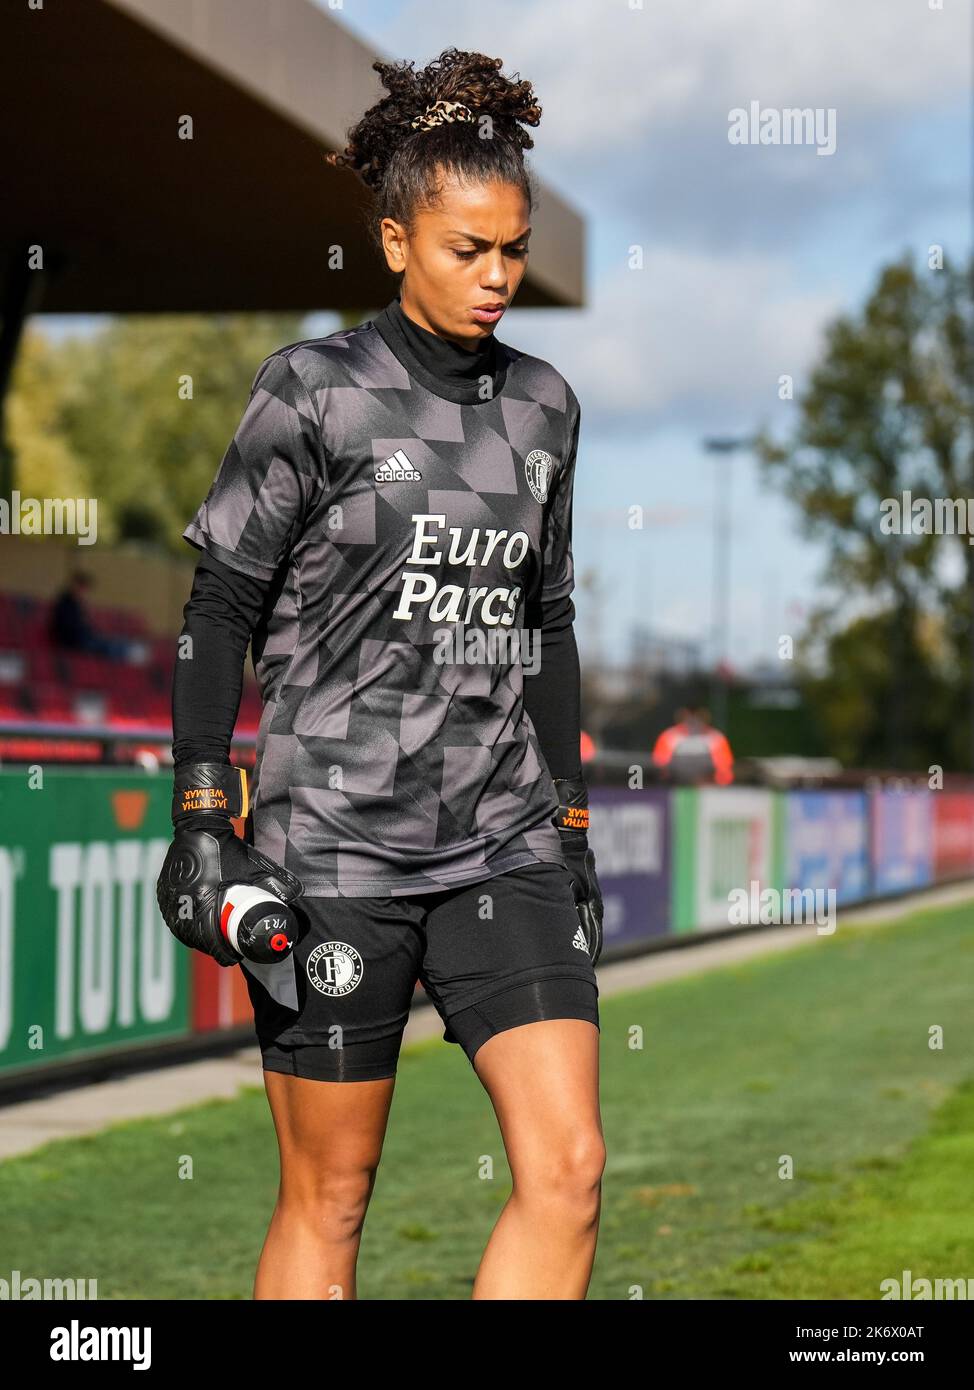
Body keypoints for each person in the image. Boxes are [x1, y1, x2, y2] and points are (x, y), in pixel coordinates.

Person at [156, 48, 605, 1301]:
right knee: (331, 1199)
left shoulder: (545, 408)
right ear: (395, 238)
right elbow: (220, 604)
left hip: (500, 838)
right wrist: (204, 810)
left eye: (512, 249)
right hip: (335, 850)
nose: (498, 277)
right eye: (468, 249)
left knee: (566, 1168)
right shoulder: (312, 392)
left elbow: (546, 622)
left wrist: (566, 820)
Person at [48, 570, 132, 660]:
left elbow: (84, 625)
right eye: (82, 587)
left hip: (83, 638)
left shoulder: (76, 604)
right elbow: (69, 627)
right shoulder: (65, 603)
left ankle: (130, 652)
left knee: (111, 641)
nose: (84, 592)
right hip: (72, 642)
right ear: (75, 586)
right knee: (108, 647)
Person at [651, 705, 734, 786]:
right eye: (689, 716)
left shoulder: (715, 738)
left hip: (707, 784)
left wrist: (720, 784)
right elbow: (660, 764)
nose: (693, 720)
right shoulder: (669, 736)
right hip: (676, 782)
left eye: (698, 716)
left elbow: (724, 767)